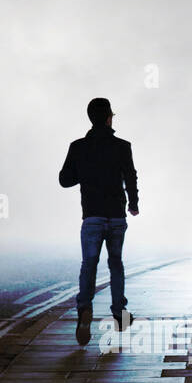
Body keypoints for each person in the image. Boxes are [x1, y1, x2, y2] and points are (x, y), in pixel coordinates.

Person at [59, 97, 139, 345]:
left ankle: (84, 309)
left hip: (91, 216)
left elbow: (65, 179)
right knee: (116, 263)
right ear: (108, 118)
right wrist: (133, 203)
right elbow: (131, 176)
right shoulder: (122, 146)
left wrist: (86, 171)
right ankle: (118, 313)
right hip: (116, 216)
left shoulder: (78, 146)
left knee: (89, 264)